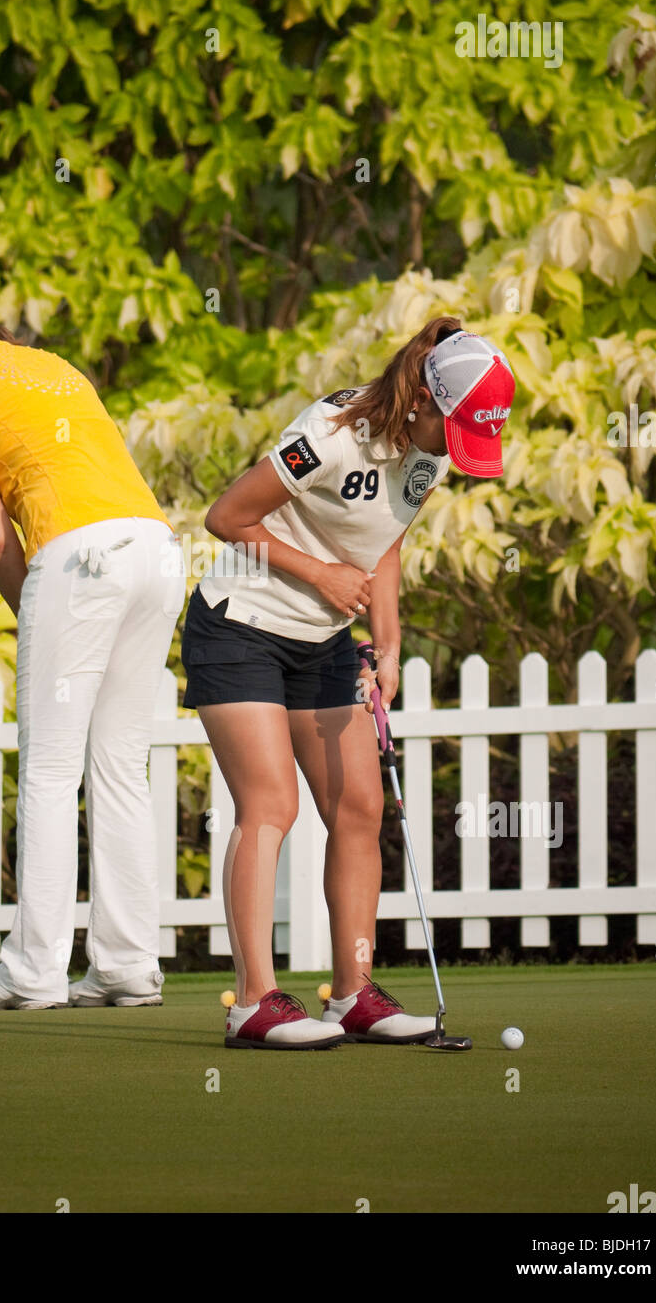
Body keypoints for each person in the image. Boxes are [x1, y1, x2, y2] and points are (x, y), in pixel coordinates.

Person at [182, 318, 515, 1049]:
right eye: (454, 431)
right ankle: (252, 1003)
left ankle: (353, 993)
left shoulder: (427, 452)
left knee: (360, 807)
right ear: (425, 401)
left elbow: (385, 543)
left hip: (325, 642)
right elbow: (226, 516)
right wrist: (323, 575)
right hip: (239, 623)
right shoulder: (330, 434)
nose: (454, 453)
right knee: (270, 804)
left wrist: (389, 646)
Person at [0, 301, 186, 1010]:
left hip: (80, 558)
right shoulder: (52, 366)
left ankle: (32, 972)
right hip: (156, 550)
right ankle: (126, 966)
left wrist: (39, 617)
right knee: (121, 766)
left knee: (51, 769)